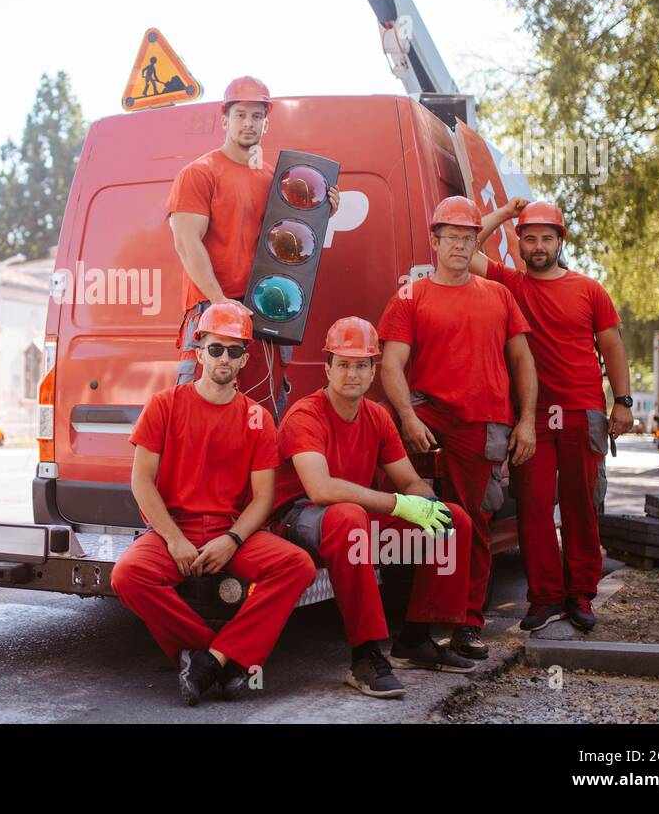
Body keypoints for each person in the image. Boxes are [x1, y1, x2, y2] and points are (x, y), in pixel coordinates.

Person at [111, 301, 317, 705]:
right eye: (216, 348)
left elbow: (264, 498)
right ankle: (218, 657)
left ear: (244, 359)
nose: (224, 358)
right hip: (175, 529)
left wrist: (234, 540)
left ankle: (208, 661)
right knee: (128, 575)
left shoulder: (257, 418)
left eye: (235, 350)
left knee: (298, 566)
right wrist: (173, 539)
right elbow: (142, 482)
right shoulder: (164, 405)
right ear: (200, 349)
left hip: (228, 529)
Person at [276, 316, 474, 697]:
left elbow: (408, 481)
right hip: (301, 519)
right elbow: (318, 489)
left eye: (362, 365)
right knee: (350, 518)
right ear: (328, 367)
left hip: (353, 518)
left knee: (454, 520)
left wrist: (426, 504)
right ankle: (365, 656)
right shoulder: (305, 414)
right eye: (344, 364)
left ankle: (415, 639)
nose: (353, 374)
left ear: (372, 372)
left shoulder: (377, 416)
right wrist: (401, 504)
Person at [378, 195, 537, 660]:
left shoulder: (499, 296)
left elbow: (523, 360)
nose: (460, 246)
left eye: (469, 238)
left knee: (477, 522)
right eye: (452, 238)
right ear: (435, 241)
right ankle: (409, 618)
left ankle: (467, 623)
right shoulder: (412, 295)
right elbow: (392, 364)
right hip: (427, 413)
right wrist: (406, 416)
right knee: (409, 511)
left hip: (484, 420)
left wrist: (526, 420)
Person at [471, 199, 631, 631]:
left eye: (546, 237)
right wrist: (504, 214)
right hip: (532, 417)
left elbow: (612, 346)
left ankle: (580, 594)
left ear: (561, 241)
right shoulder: (511, 285)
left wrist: (624, 400)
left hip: (583, 411)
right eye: (529, 238)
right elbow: (467, 250)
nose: (538, 245)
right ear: (519, 243)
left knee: (581, 505)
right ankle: (544, 598)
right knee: (535, 508)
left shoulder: (589, 289)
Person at [167, 75, 338, 418]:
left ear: (266, 122)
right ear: (225, 119)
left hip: (261, 315)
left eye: (257, 116)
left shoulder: (271, 180)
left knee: (259, 416)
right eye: (241, 115)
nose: (249, 123)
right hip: (211, 311)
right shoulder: (200, 173)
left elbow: (287, 245)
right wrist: (221, 304)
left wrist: (322, 213)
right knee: (201, 416)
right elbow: (187, 244)